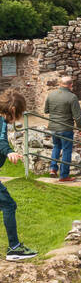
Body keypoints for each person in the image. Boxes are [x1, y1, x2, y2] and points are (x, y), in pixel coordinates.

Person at [0, 91, 37, 260]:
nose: (20, 117)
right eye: (20, 113)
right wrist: (9, 152)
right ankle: (14, 248)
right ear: (13, 109)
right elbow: (0, 141)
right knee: (8, 205)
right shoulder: (1, 121)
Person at [45, 74, 81, 182]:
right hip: (66, 128)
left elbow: (46, 110)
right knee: (67, 150)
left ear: (60, 84)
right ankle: (64, 176)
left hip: (53, 127)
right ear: (71, 85)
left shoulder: (51, 95)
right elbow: (77, 116)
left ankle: (53, 169)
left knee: (56, 147)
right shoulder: (72, 97)